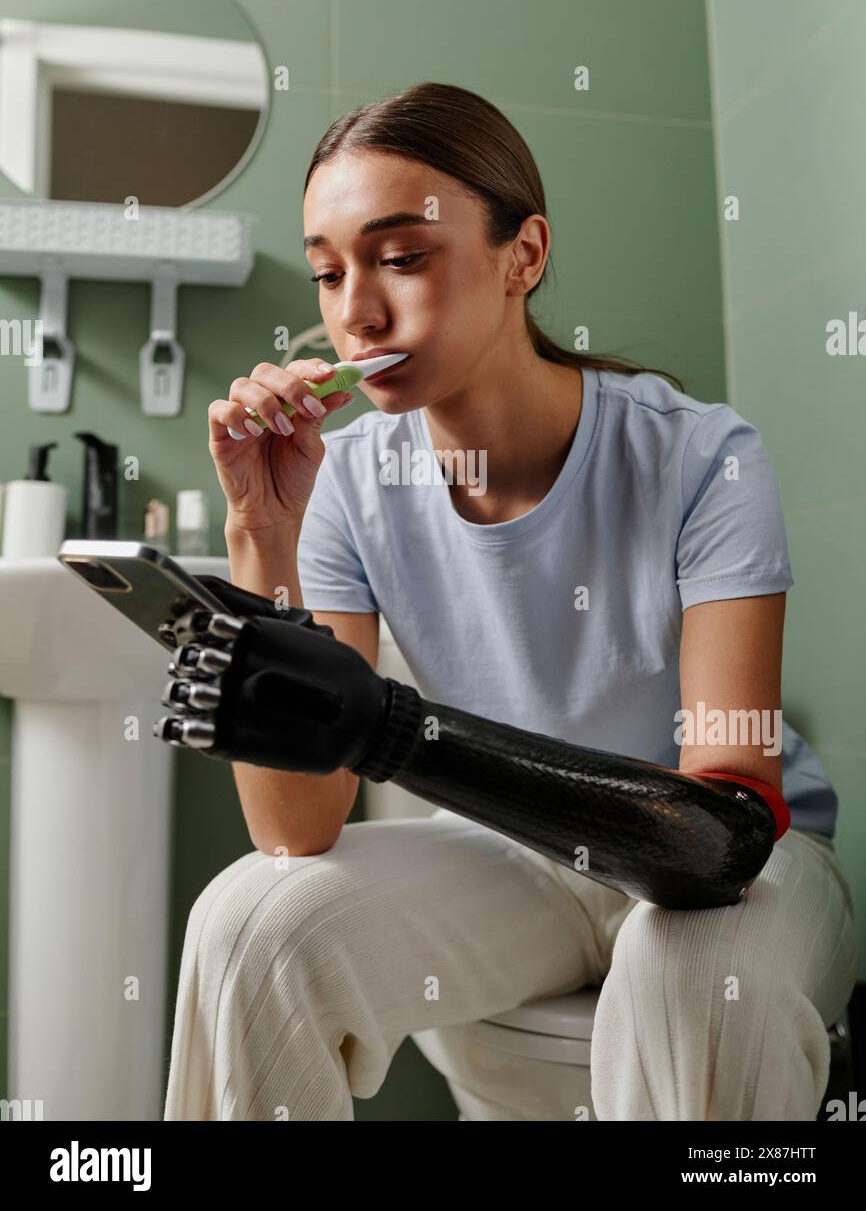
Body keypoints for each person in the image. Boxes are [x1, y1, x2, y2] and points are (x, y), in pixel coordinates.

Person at [162, 82, 856, 1121]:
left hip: (735, 860)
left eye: (400, 257)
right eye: (326, 271)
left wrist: (390, 730)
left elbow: (716, 832)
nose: (354, 310)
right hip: (514, 851)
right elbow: (294, 828)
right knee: (247, 925)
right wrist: (265, 532)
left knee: (696, 987)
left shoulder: (699, 457)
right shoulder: (346, 483)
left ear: (522, 256)